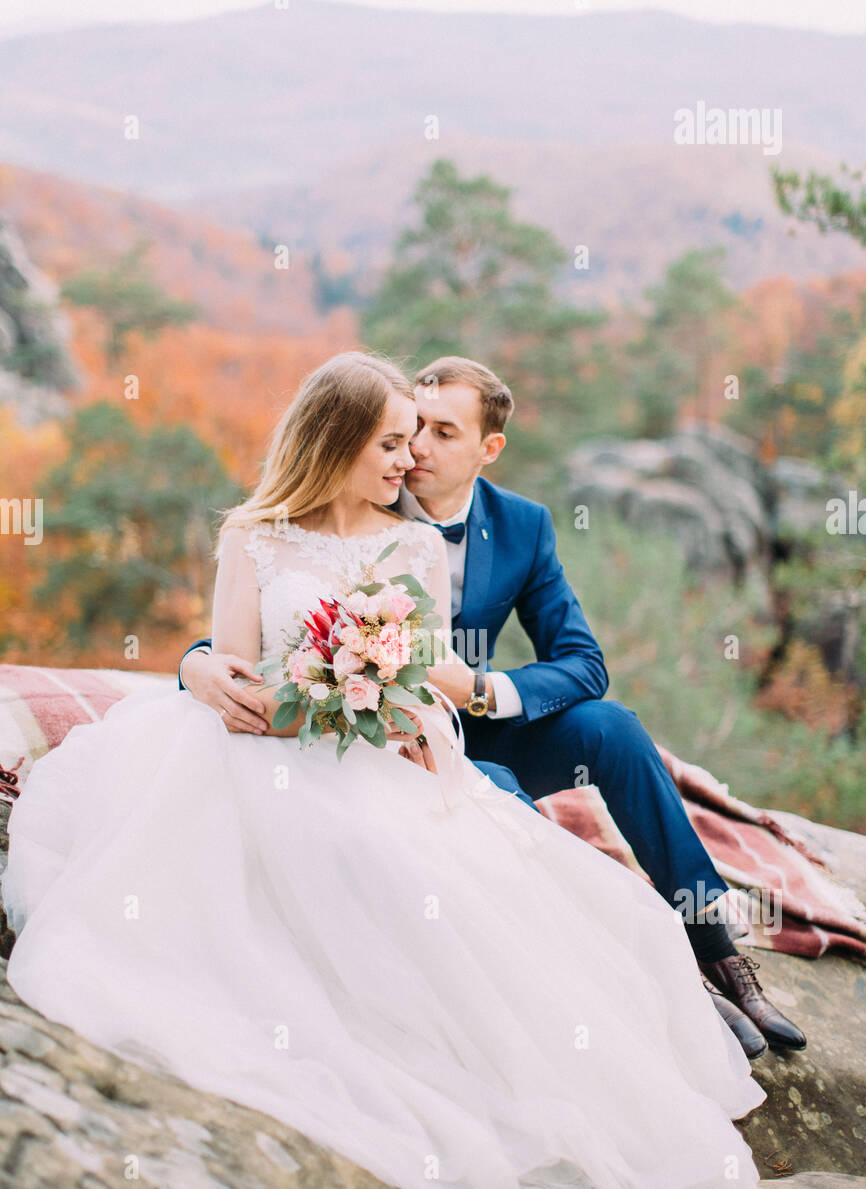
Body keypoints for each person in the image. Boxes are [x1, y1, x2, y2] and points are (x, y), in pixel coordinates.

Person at [3, 351, 767, 1189]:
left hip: (391, 743)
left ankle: (715, 957)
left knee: (456, 862)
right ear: (338, 439)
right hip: (262, 753)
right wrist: (219, 675)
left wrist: (393, 698)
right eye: (394, 442)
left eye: (426, 439)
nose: (409, 461)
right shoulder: (252, 536)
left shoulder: (418, 543)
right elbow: (233, 669)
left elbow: (433, 683)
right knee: (327, 853)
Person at [181, 355, 805, 1061]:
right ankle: (653, 985)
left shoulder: (520, 527)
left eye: (441, 433)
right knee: (494, 810)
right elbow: (268, 638)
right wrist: (194, 666)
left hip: (461, 723)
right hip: (384, 741)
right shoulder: (344, 501)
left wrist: (477, 690)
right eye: (408, 431)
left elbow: (584, 663)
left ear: (488, 448)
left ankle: (715, 952)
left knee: (615, 729)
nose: (415, 450)